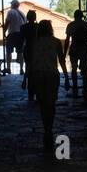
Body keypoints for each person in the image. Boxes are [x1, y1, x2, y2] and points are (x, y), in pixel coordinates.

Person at [25, 18, 63, 150]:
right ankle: (49, 129)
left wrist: (25, 79)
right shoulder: (56, 42)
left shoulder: (33, 43)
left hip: (38, 75)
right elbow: (62, 60)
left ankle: (46, 129)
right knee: (51, 103)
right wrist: (68, 79)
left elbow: (29, 63)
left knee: (42, 104)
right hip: (52, 75)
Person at [64, 10, 87, 99]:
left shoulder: (71, 25)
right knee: (85, 70)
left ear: (74, 16)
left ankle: (75, 87)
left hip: (74, 49)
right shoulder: (86, 25)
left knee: (74, 69)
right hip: (84, 49)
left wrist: (65, 52)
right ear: (82, 16)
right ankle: (85, 89)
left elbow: (67, 40)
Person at [1, 0, 25, 75]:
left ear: (13, 5)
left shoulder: (10, 12)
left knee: (8, 52)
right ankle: (21, 69)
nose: (10, 5)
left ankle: (8, 68)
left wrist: (4, 32)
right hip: (21, 35)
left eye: (11, 4)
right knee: (20, 52)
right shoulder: (22, 14)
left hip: (12, 34)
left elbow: (7, 23)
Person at [19, 9, 39, 97]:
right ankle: (37, 88)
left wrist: (19, 53)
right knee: (37, 68)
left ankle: (26, 83)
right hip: (38, 49)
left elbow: (21, 40)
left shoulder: (23, 27)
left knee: (28, 66)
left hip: (27, 49)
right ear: (35, 17)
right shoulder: (38, 26)